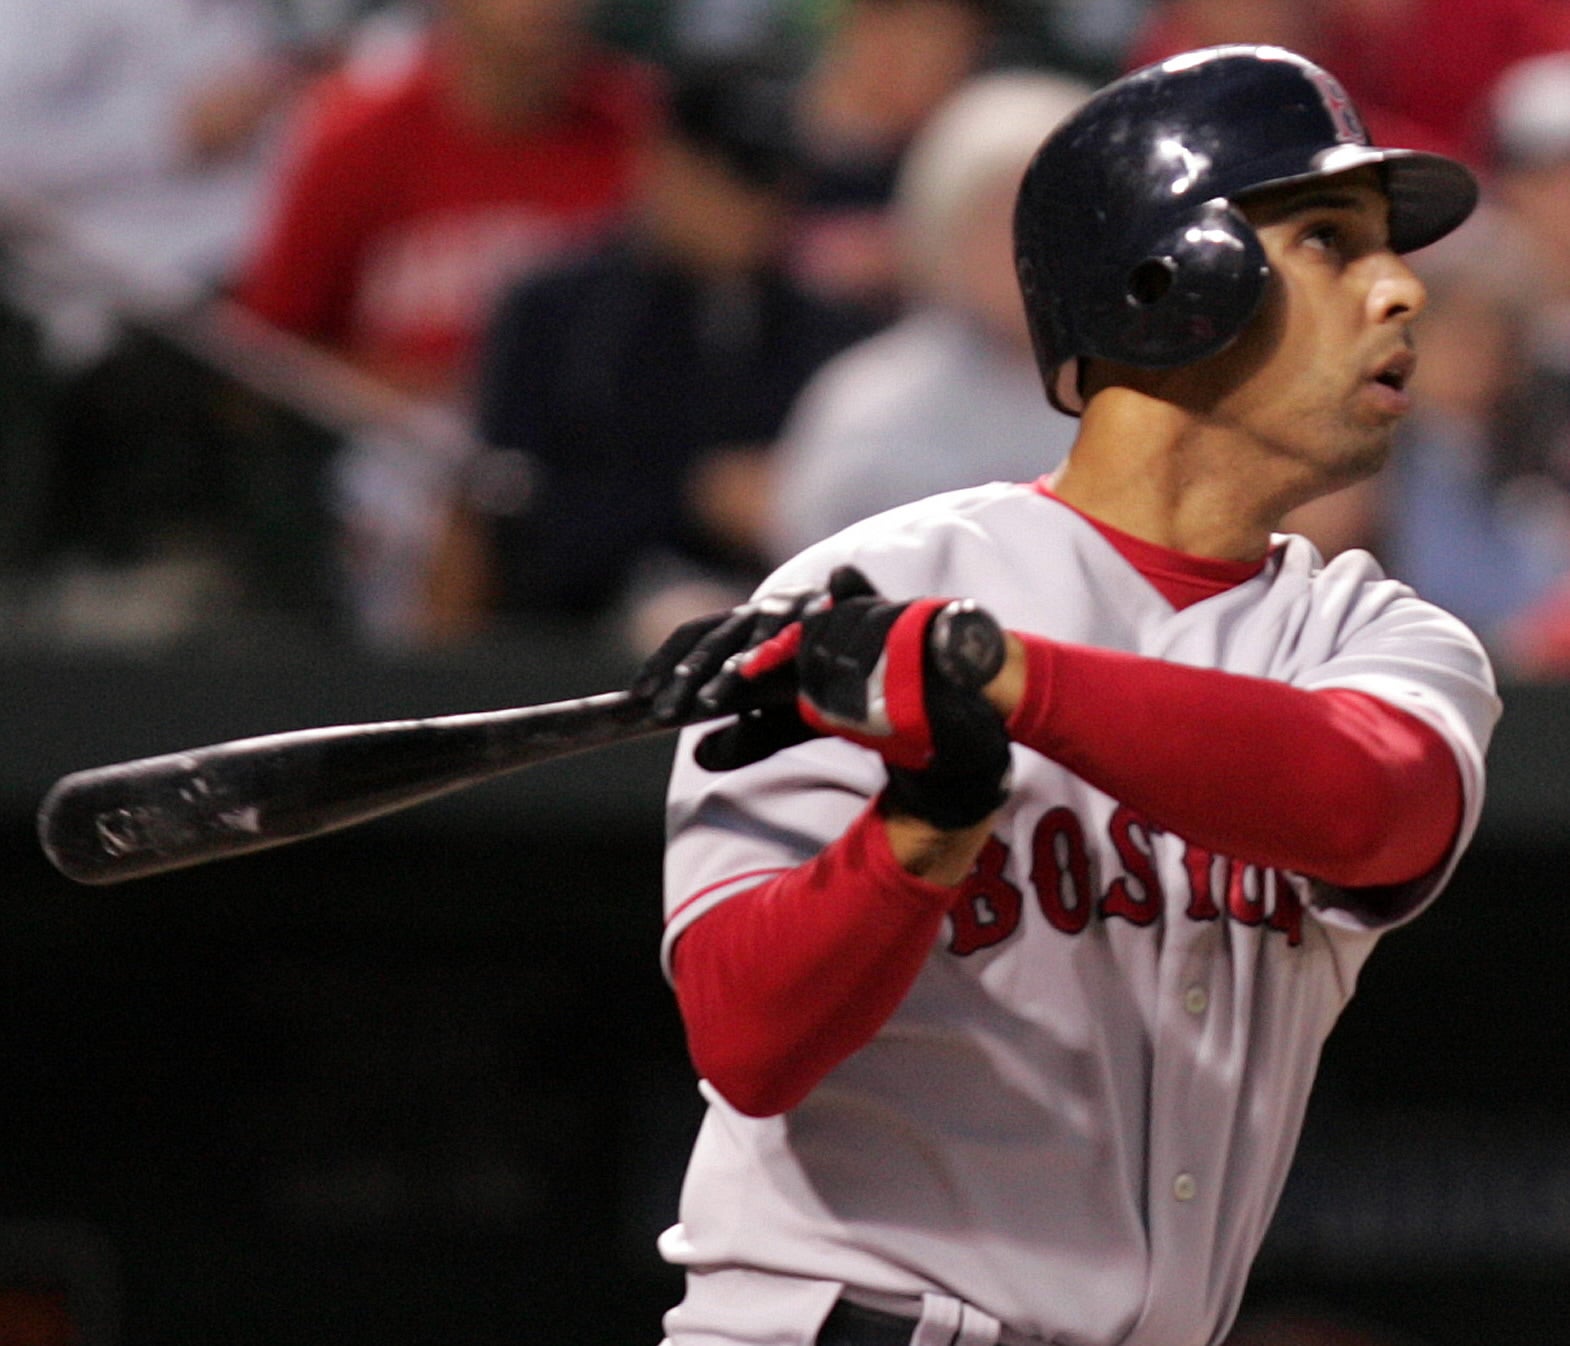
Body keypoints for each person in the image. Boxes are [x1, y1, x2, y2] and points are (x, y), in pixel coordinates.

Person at [627, 45, 1500, 1346]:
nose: (1398, 289)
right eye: (1328, 240)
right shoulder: (871, 582)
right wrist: (920, 826)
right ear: (1167, 283)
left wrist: (1003, 680)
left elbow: (1369, 799)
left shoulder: (1369, 634)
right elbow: (746, 1040)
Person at [434, 57, 876, 649]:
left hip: (784, 606)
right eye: (729, 179)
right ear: (664, 165)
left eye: (770, 184)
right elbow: (516, 510)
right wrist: (692, 497)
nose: (751, 208)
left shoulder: (817, 325)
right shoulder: (560, 312)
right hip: (578, 630)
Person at [765, 69, 1089, 560]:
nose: (1027, 252)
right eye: (998, 222)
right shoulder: (873, 401)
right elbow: (815, 558)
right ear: (942, 229)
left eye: (1053, 220)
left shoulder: (1149, 396)